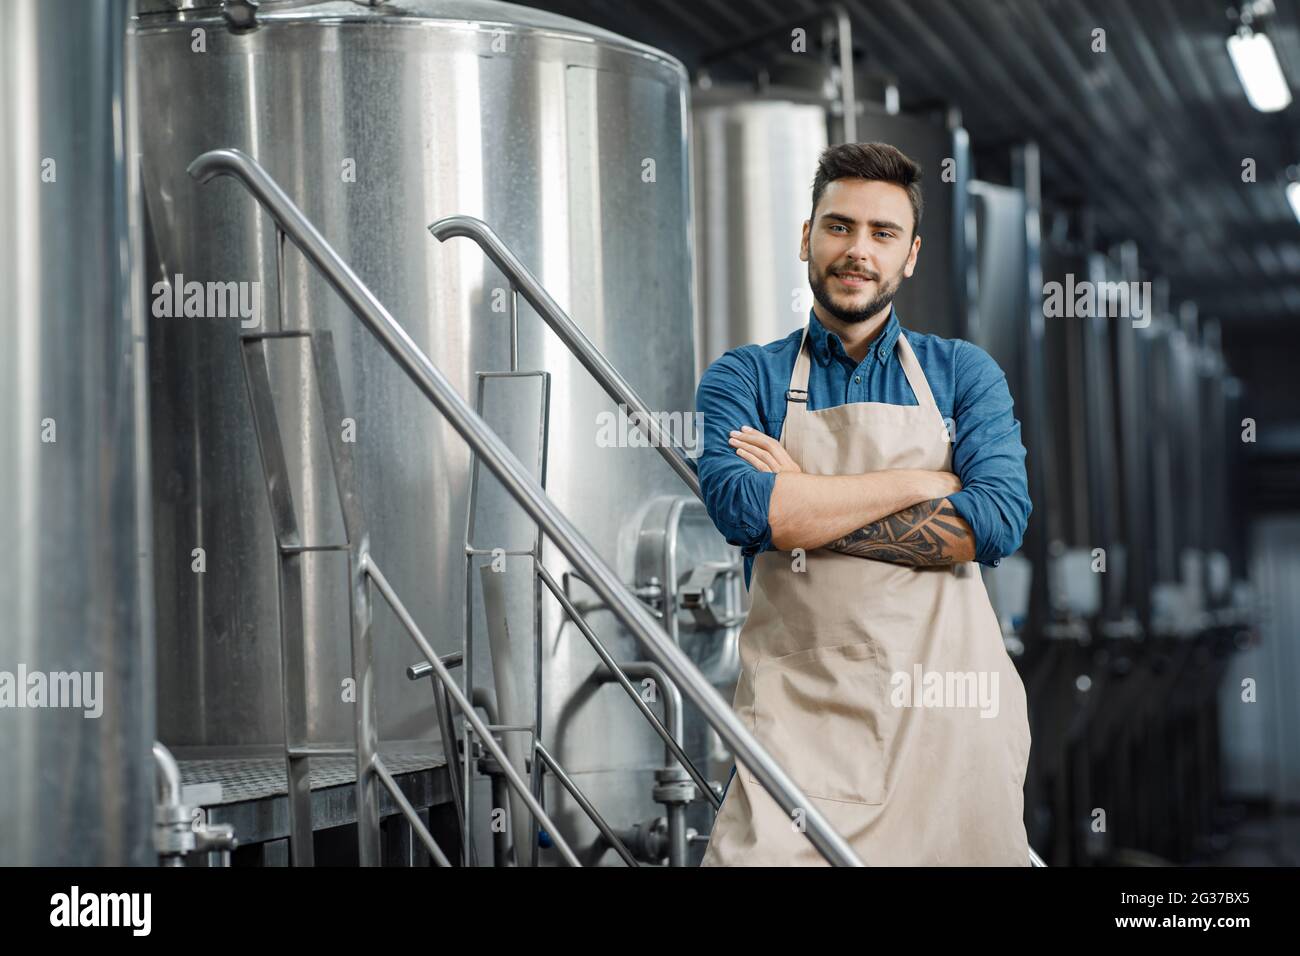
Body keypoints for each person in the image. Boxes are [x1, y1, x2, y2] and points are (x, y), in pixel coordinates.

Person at [696, 142, 1032, 866]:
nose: (858, 251)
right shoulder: (743, 377)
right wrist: (923, 484)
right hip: (798, 727)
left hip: (949, 730)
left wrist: (804, 505)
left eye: (882, 234)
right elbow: (745, 511)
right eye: (839, 226)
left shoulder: (962, 374)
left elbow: (997, 520)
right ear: (806, 238)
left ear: (910, 255)